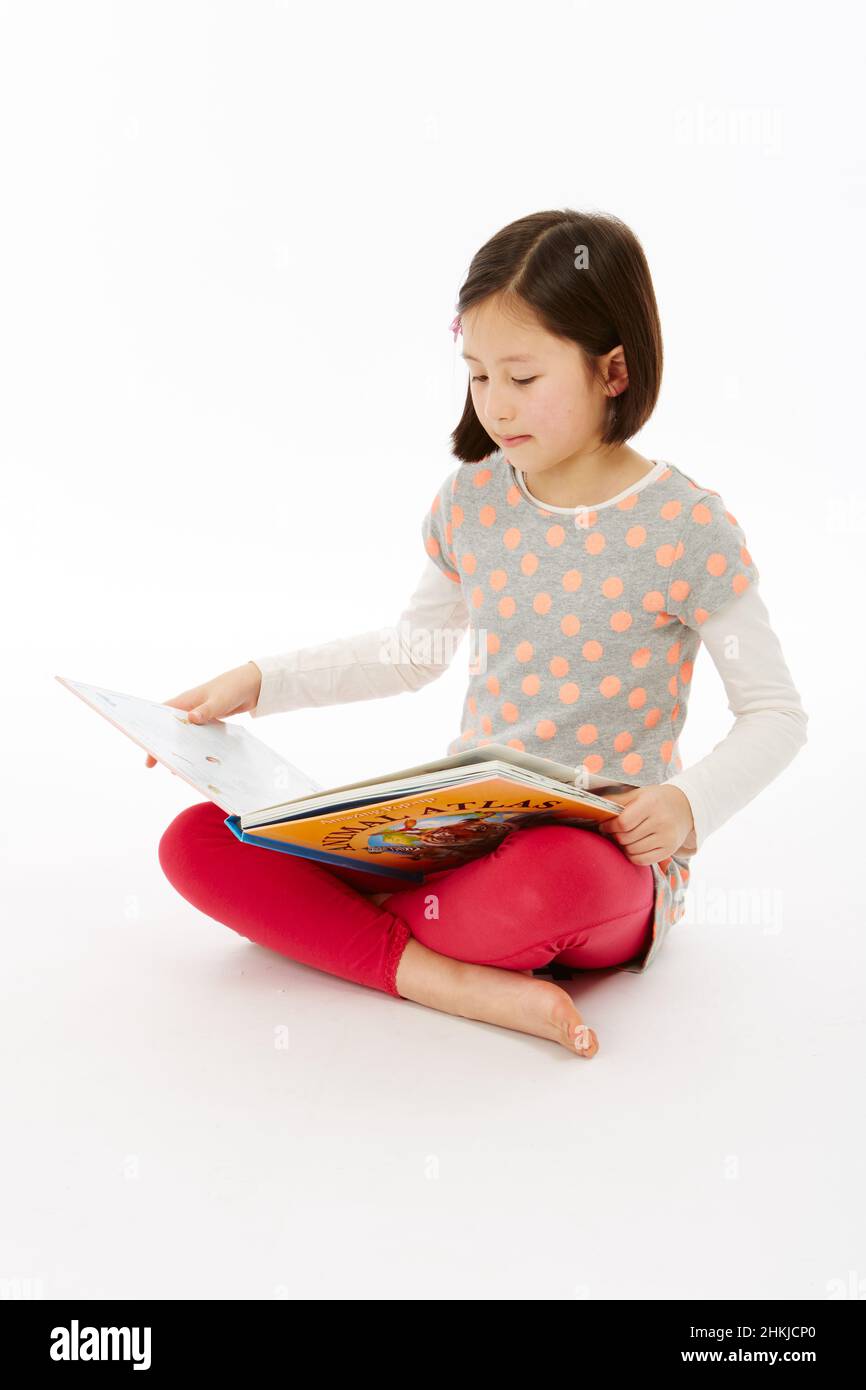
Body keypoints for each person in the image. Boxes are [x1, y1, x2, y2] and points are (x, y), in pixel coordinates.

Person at [154, 208, 808, 1059]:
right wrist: (259, 681)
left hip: (602, 862)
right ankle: (447, 977)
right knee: (199, 842)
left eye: (523, 378)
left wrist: (686, 805)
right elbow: (410, 653)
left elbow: (776, 714)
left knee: (554, 880)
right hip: (462, 839)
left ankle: (349, 937)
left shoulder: (686, 526)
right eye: (477, 376)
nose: (495, 407)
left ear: (613, 369)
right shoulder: (477, 501)